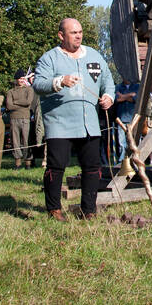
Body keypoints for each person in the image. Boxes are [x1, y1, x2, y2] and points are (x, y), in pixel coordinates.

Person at [33, 17, 115, 221]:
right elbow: (38, 85)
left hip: (89, 125)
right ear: (61, 35)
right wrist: (59, 81)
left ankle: (88, 210)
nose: (78, 36)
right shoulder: (49, 58)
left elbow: (108, 82)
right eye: (73, 33)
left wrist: (108, 97)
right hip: (59, 124)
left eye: (80, 32)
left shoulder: (94, 56)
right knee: (57, 166)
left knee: (92, 167)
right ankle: (54, 209)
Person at [109, 73, 139, 164]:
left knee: (135, 141)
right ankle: (122, 160)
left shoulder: (137, 86)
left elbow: (136, 98)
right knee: (122, 142)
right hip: (121, 118)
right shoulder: (118, 87)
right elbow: (117, 99)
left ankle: (135, 159)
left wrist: (123, 96)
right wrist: (130, 95)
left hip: (133, 118)